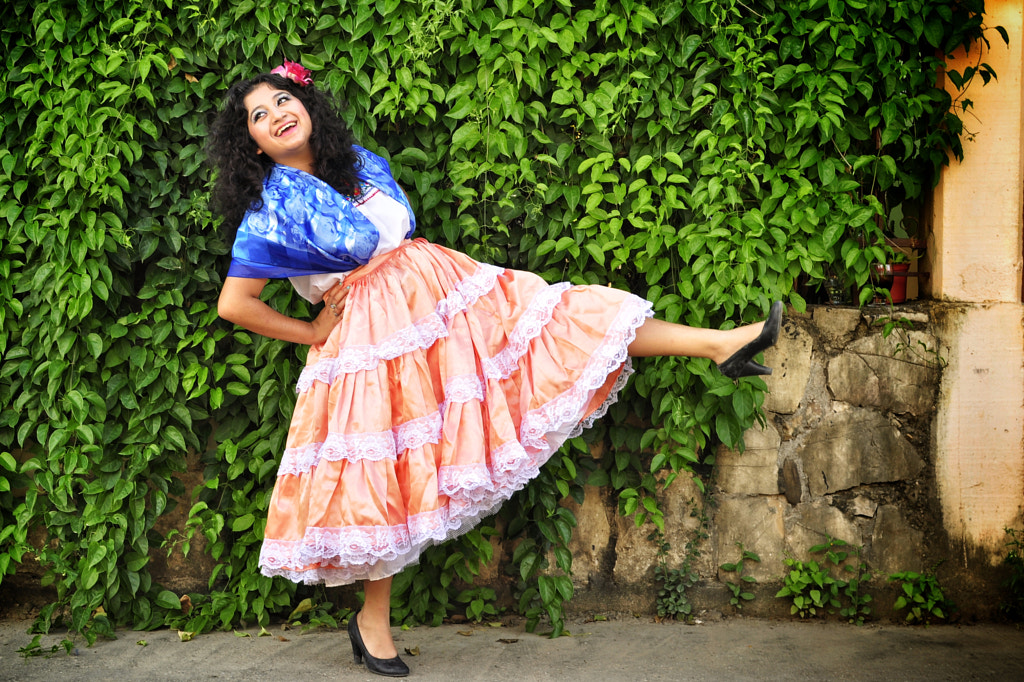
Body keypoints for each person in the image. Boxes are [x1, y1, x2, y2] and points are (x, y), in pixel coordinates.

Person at [209, 61, 783, 678]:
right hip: (371, 340)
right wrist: (313, 330)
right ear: (252, 142)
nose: (275, 116)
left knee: (561, 314)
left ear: (307, 104)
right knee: (387, 474)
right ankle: (372, 621)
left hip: (443, 296)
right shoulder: (271, 210)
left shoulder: (361, 165)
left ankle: (718, 345)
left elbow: (396, 237)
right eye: (258, 116)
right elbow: (235, 304)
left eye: (281, 100)